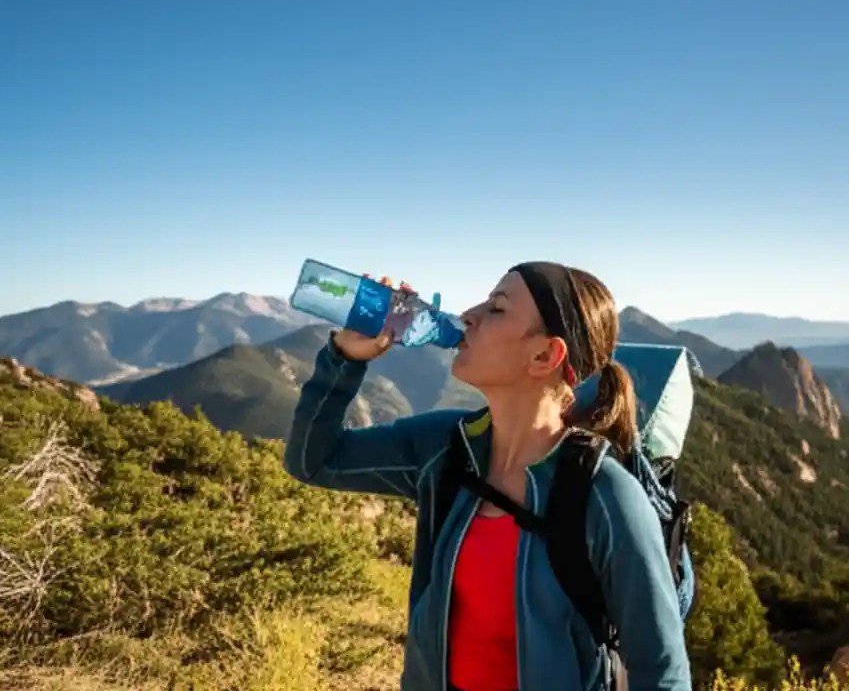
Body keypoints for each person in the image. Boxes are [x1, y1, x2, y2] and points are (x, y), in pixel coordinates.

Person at [284, 261, 692, 691]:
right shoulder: (445, 450)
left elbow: (662, 671)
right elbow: (315, 459)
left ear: (544, 356)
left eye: (496, 308)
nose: (468, 316)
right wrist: (344, 357)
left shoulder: (604, 495)